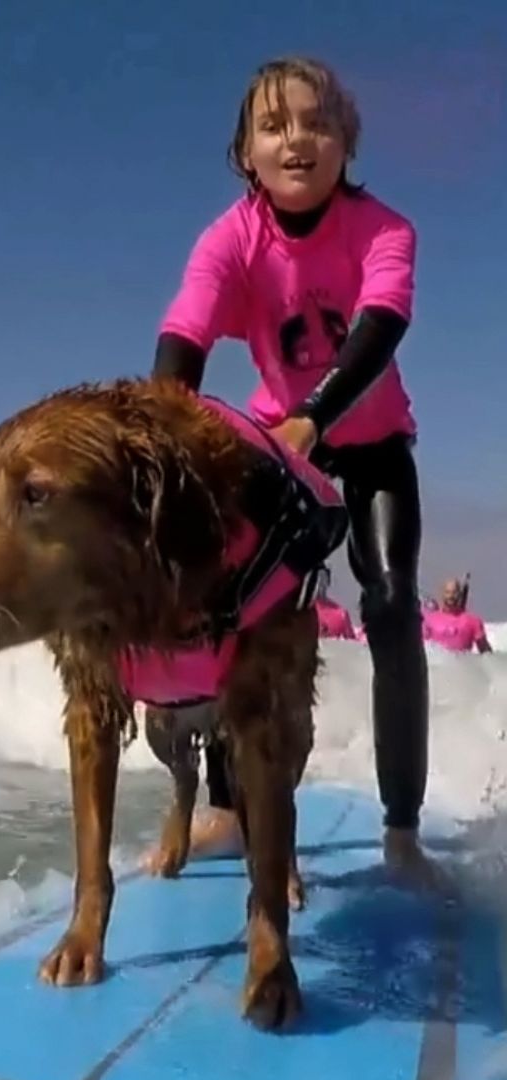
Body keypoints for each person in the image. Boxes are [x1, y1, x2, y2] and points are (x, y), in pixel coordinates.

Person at [142, 56, 434, 882]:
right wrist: (167, 441)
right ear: (246, 154)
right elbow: (185, 338)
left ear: (347, 141)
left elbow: (381, 326)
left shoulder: (384, 229)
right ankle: (232, 812)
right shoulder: (230, 240)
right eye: (275, 127)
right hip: (281, 438)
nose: (297, 140)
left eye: (317, 122)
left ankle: (402, 832)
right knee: (237, 604)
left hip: (370, 437)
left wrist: (315, 418)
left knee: (389, 602)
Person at [423, 576, 492, 653]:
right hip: (437, 664)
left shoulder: (473, 621)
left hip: (463, 664)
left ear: (459, 594)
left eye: (454, 592)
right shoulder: (429, 620)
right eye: (447, 592)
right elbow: (421, 650)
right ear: (442, 594)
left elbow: (487, 653)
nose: (451, 596)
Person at [315, 566, 356, 640]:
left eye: (322, 578)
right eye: (316, 579)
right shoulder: (301, 611)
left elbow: (352, 645)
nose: (319, 584)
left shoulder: (341, 614)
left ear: (328, 581)